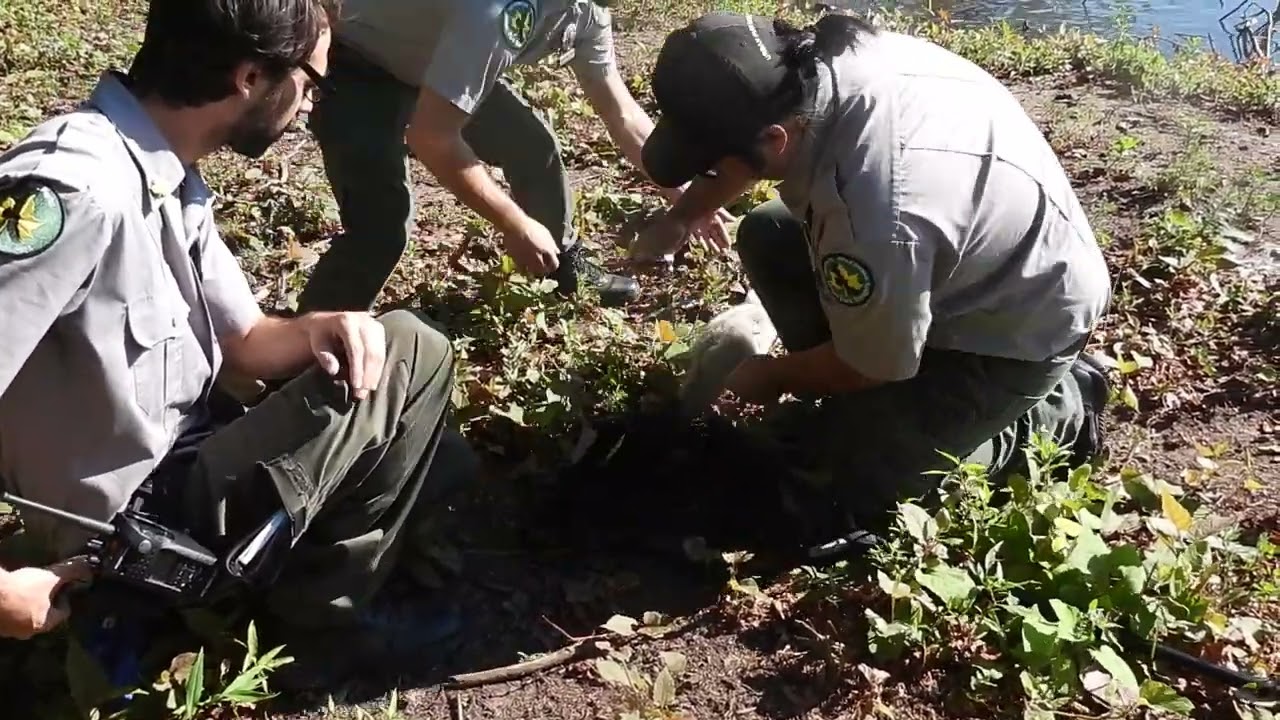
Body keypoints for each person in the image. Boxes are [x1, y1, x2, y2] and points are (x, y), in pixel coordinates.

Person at [0, 0, 476, 694]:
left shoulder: (165, 172)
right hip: (130, 530)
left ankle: (277, 586)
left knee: (419, 402)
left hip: (189, 461)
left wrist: (320, 327)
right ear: (251, 76)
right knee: (414, 349)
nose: (309, 107)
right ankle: (317, 631)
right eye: (312, 82)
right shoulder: (77, 191)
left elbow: (246, 344)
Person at [631, 11, 1114, 541]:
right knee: (770, 233)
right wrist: (683, 216)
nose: (705, 174)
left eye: (708, 165)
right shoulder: (816, 66)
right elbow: (741, 157)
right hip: (960, 247)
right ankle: (872, 393)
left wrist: (776, 376)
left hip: (1021, 318)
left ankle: (1061, 408)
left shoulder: (873, 212)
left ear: (775, 139)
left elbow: (876, 362)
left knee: (863, 486)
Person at [291, 0, 735, 313]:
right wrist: (514, 223)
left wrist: (688, 198)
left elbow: (621, 114)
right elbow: (432, 137)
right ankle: (308, 347)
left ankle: (561, 263)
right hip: (361, 65)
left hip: (438, 62)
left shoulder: (586, 8)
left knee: (532, 147)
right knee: (382, 225)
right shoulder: (497, 9)